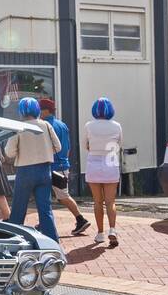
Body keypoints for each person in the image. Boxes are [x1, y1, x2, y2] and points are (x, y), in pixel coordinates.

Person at [4, 97, 62, 241]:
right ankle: (53, 242)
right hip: (44, 170)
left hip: (24, 171)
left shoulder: (18, 127)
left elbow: (9, 152)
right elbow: (58, 147)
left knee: (18, 209)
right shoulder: (46, 125)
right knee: (45, 210)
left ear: (21, 111)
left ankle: (14, 240)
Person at [39, 97, 91, 237]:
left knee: (49, 196)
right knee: (61, 196)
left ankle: (80, 219)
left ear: (45, 110)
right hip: (63, 165)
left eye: (39, 109)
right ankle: (77, 219)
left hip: (50, 165)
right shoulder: (62, 125)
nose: (38, 112)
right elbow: (67, 147)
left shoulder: (44, 125)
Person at [84, 97, 123, 247]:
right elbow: (120, 143)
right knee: (110, 201)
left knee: (98, 201)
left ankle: (100, 233)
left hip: (94, 163)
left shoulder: (89, 125)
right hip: (111, 162)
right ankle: (112, 229)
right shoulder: (116, 126)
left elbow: (85, 144)